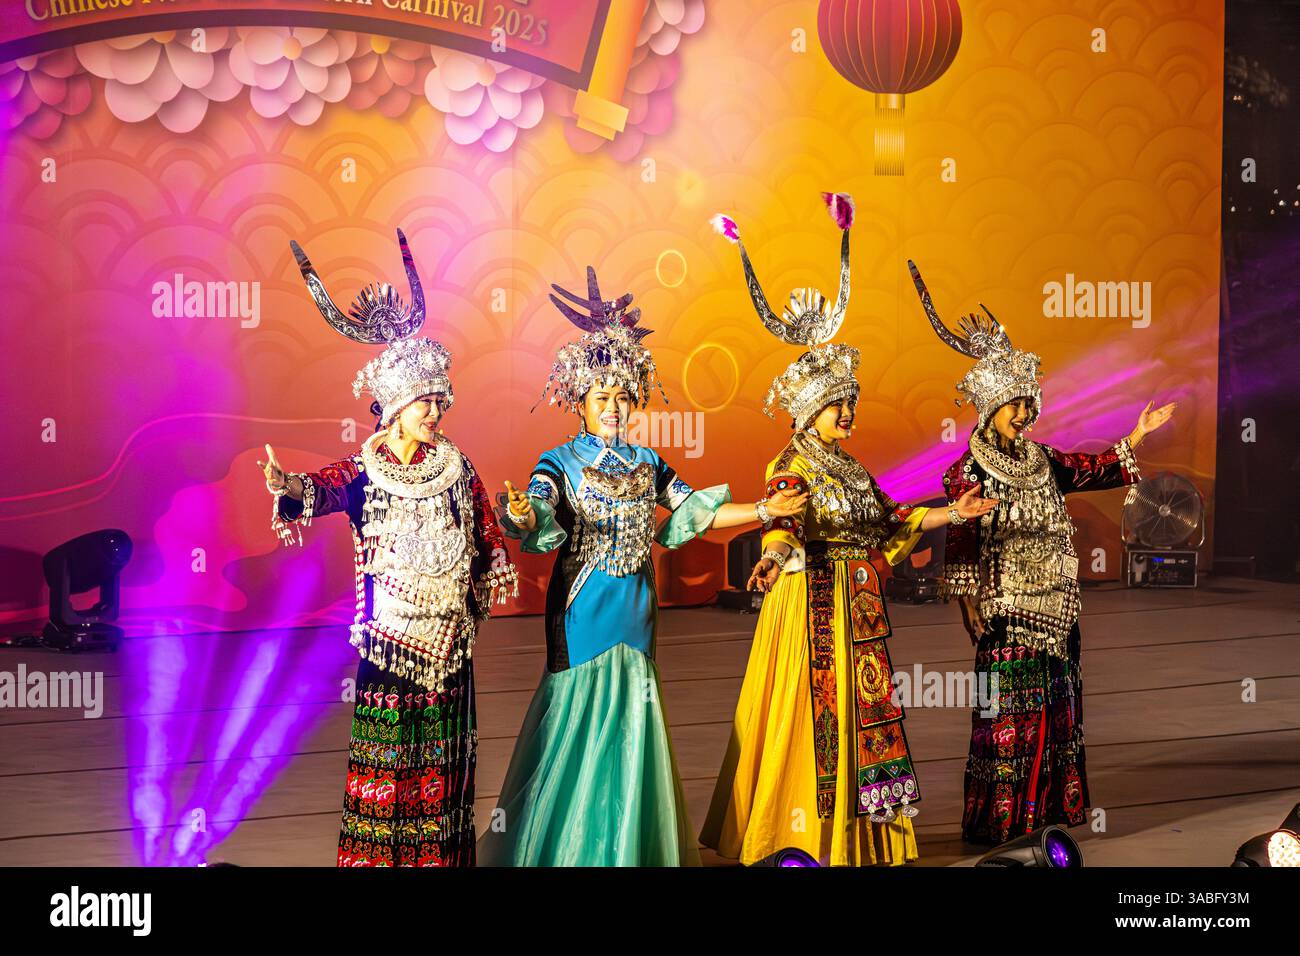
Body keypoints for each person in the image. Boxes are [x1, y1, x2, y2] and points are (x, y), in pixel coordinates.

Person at [701, 193, 998, 866]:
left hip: (856, 606)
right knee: (815, 720)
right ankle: (802, 835)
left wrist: (956, 513)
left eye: (851, 408)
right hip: (809, 609)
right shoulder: (792, 462)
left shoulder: (852, 467)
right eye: (842, 408)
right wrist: (773, 558)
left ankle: (859, 843)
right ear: (813, 409)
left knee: (861, 717)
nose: (850, 419)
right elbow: (782, 520)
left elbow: (893, 519)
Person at [477, 267, 806, 866]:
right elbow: (538, 515)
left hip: (638, 615)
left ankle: (628, 846)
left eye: (622, 398)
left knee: (635, 726)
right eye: (601, 397)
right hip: (582, 614)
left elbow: (698, 511)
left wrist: (763, 508)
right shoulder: (558, 461)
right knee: (577, 727)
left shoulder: (647, 461)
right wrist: (522, 514)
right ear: (580, 402)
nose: (613, 407)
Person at [260, 230, 517, 866]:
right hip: (389, 646)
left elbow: (488, 539)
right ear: (394, 408)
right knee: (387, 764)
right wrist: (287, 485)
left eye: (438, 399)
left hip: (449, 647)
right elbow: (317, 490)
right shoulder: (364, 471)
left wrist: (512, 527)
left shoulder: (458, 469)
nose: (434, 409)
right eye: (422, 401)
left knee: (443, 766)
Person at [908, 258, 1175, 844]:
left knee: (1057, 711)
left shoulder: (1043, 459)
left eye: (1029, 403)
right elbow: (961, 537)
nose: (1025, 414)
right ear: (989, 408)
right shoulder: (968, 470)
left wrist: (1135, 437)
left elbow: (1094, 468)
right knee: (1008, 715)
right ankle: (1001, 818)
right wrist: (967, 601)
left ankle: (1046, 814)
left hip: (1058, 609)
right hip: (1006, 609)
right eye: (1015, 405)